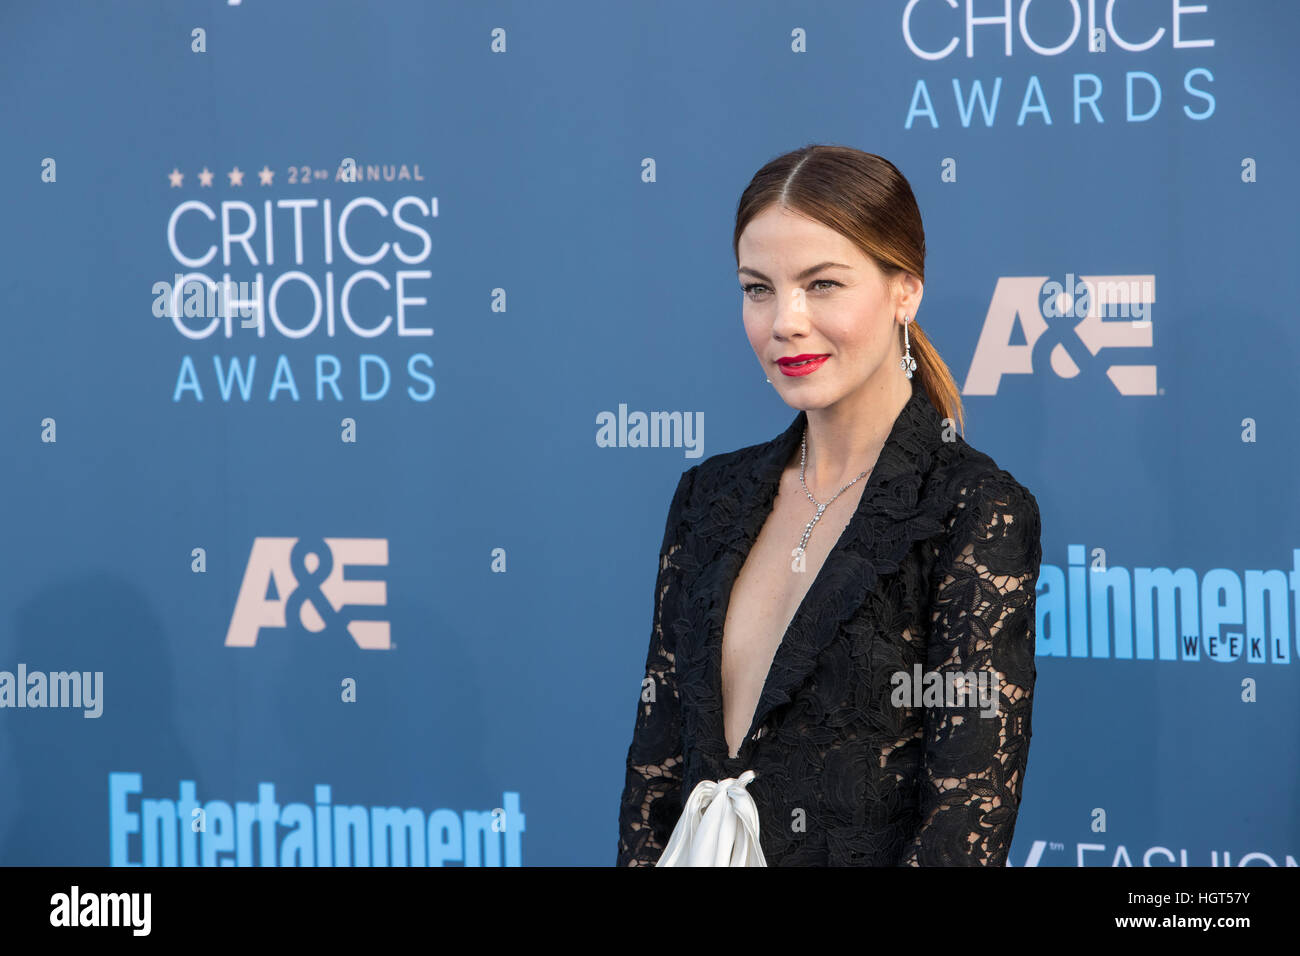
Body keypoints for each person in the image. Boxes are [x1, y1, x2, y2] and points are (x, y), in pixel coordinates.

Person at [615, 145, 1043, 866]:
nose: (785, 320)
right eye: (758, 288)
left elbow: (962, 830)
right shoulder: (707, 498)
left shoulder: (970, 512)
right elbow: (656, 778)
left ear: (904, 290)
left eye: (822, 284)